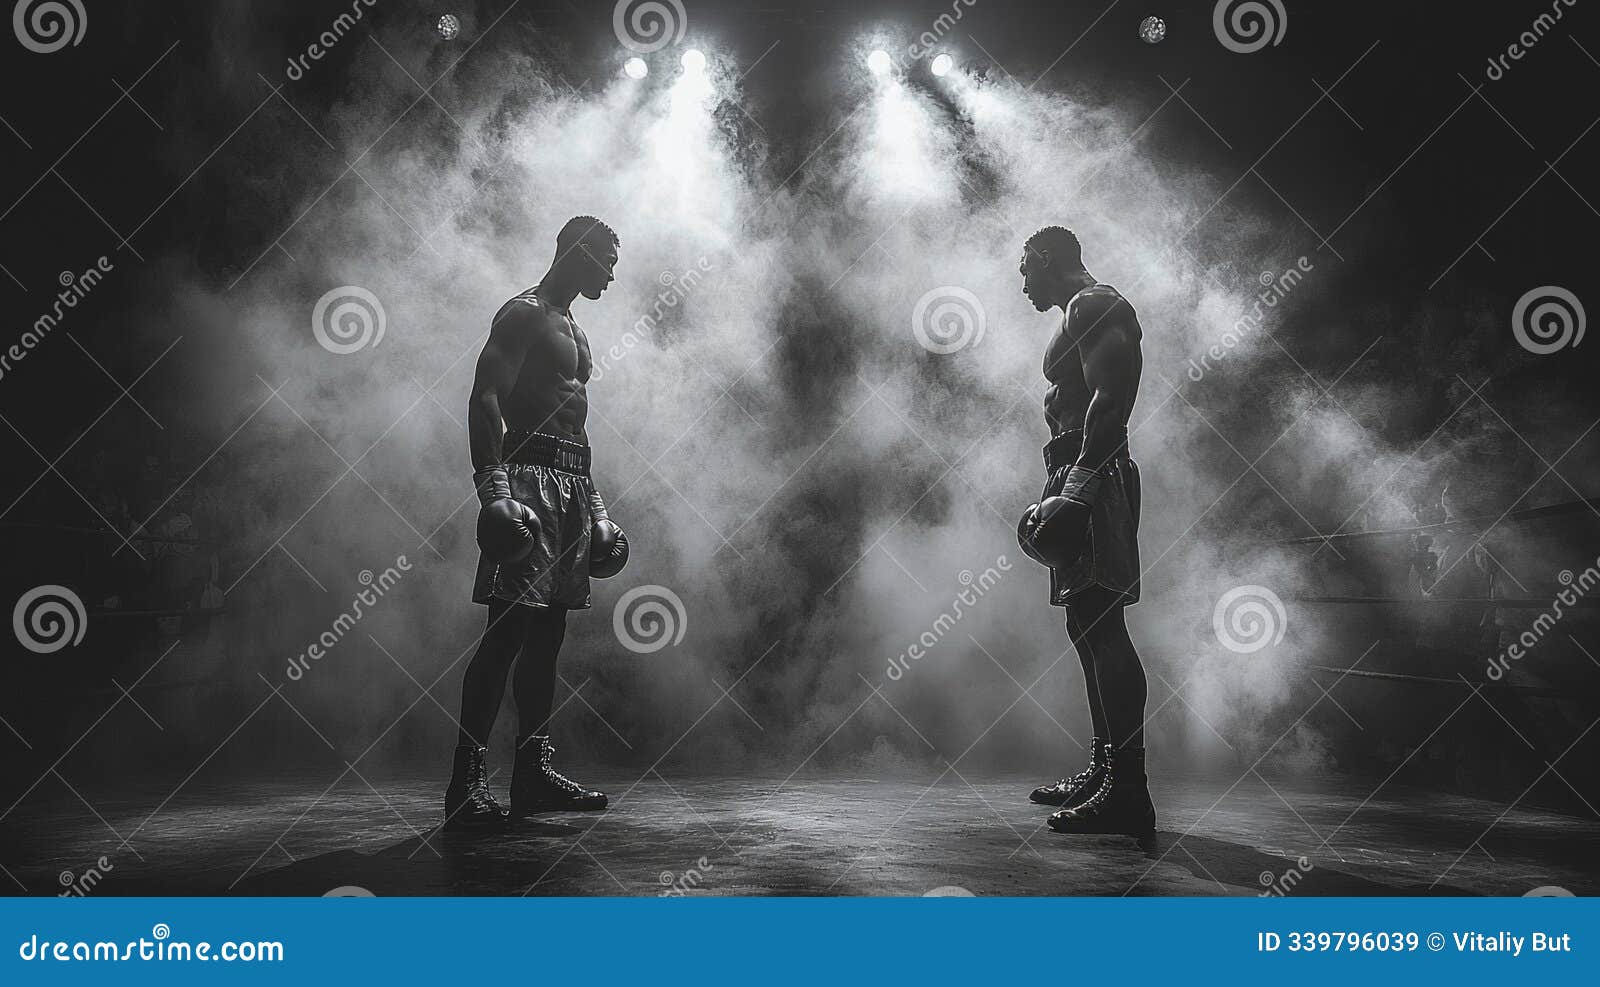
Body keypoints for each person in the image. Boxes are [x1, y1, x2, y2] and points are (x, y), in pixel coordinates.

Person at [443, 216, 630, 831]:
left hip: (572, 484)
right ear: (575, 251)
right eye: (604, 257)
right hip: (525, 481)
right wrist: (493, 489)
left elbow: (575, 427)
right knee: (507, 632)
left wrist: (596, 508)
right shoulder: (523, 314)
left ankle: (530, 774)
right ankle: (466, 786)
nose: (610, 271)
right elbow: (485, 397)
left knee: (548, 637)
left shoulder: (575, 328)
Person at [1015, 226, 1155, 841]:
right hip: (1074, 469)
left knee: (1104, 625)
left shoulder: (1093, 304)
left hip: (1090, 471)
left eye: (1027, 269)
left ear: (1048, 260)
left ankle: (1128, 792)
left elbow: (1111, 395)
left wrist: (1079, 489)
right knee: (1085, 625)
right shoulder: (1079, 312)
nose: (1023, 282)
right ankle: (1105, 771)